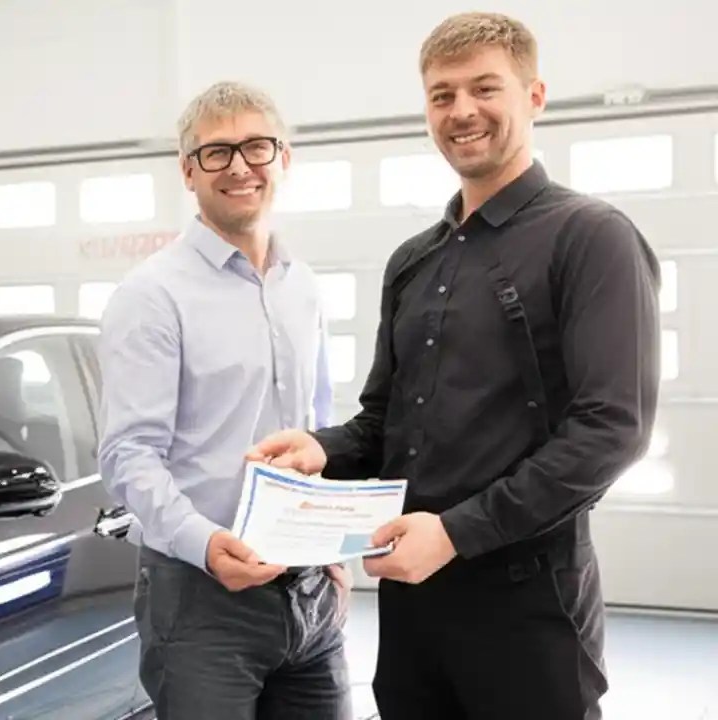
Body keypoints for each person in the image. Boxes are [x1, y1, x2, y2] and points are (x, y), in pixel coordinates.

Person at [247, 11, 660, 720]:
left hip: (528, 602)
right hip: (412, 601)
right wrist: (323, 448)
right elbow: (385, 421)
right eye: (442, 95)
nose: (461, 111)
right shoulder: (415, 261)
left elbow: (609, 429)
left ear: (534, 96)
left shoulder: (590, 238)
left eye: (484, 89)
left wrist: (456, 533)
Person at [97, 80, 353, 720]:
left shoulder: (304, 287)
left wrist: (335, 551)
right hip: (201, 599)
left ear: (284, 158)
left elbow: (316, 432)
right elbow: (129, 456)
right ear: (189, 171)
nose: (240, 165)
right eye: (217, 152)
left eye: (257, 146)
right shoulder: (152, 295)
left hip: (310, 591)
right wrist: (205, 543)